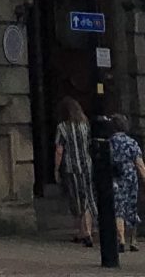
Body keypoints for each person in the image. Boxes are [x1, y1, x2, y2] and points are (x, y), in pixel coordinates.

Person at [106, 114, 145, 253]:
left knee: (118, 209)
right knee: (132, 207)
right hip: (130, 177)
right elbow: (140, 164)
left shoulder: (109, 143)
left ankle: (120, 239)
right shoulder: (131, 143)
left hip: (116, 177)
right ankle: (133, 240)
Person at [52, 96, 96, 246]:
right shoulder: (85, 125)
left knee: (77, 198)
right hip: (87, 165)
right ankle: (87, 231)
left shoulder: (62, 127)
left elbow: (59, 149)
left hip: (72, 167)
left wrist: (56, 169)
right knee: (88, 197)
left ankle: (84, 232)